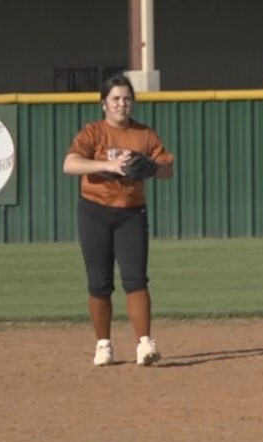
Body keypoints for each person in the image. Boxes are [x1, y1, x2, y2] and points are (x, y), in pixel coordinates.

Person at [63, 75, 174, 366]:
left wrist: (151, 167)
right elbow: (70, 164)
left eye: (126, 98)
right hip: (94, 211)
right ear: (104, 104)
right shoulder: (93, 132)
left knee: (135, 279)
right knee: (99, 282)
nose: (121, 104)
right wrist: (108, 165)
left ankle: (144, 343)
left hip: (131, 213)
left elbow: (167, 170)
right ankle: (104, 345)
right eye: (115, 99)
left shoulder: (145, 135)